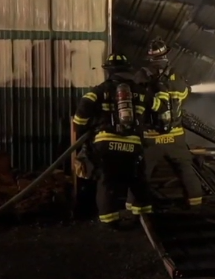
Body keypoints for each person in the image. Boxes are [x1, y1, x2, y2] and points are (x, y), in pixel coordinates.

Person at [71, 53, 167, 229]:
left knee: (108, 182)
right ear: (128, 70)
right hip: (133, 144)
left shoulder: (99, 91)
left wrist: (84, 130)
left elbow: (79, 119)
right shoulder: (141, 92)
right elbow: (161, 107)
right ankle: (143, 217)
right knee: (137, 180)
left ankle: (109, 220)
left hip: (106, 143)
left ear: (108, 71)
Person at [127, 38, 204, 210]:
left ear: (149, 56)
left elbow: (134, 101)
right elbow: (183, 97)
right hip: (175, 136)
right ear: (166, 54)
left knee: (142, 173)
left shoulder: (141, 75)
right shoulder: (176, 75)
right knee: (185, 170)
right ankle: (196, 206)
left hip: (151, 138)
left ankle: (135, 208)